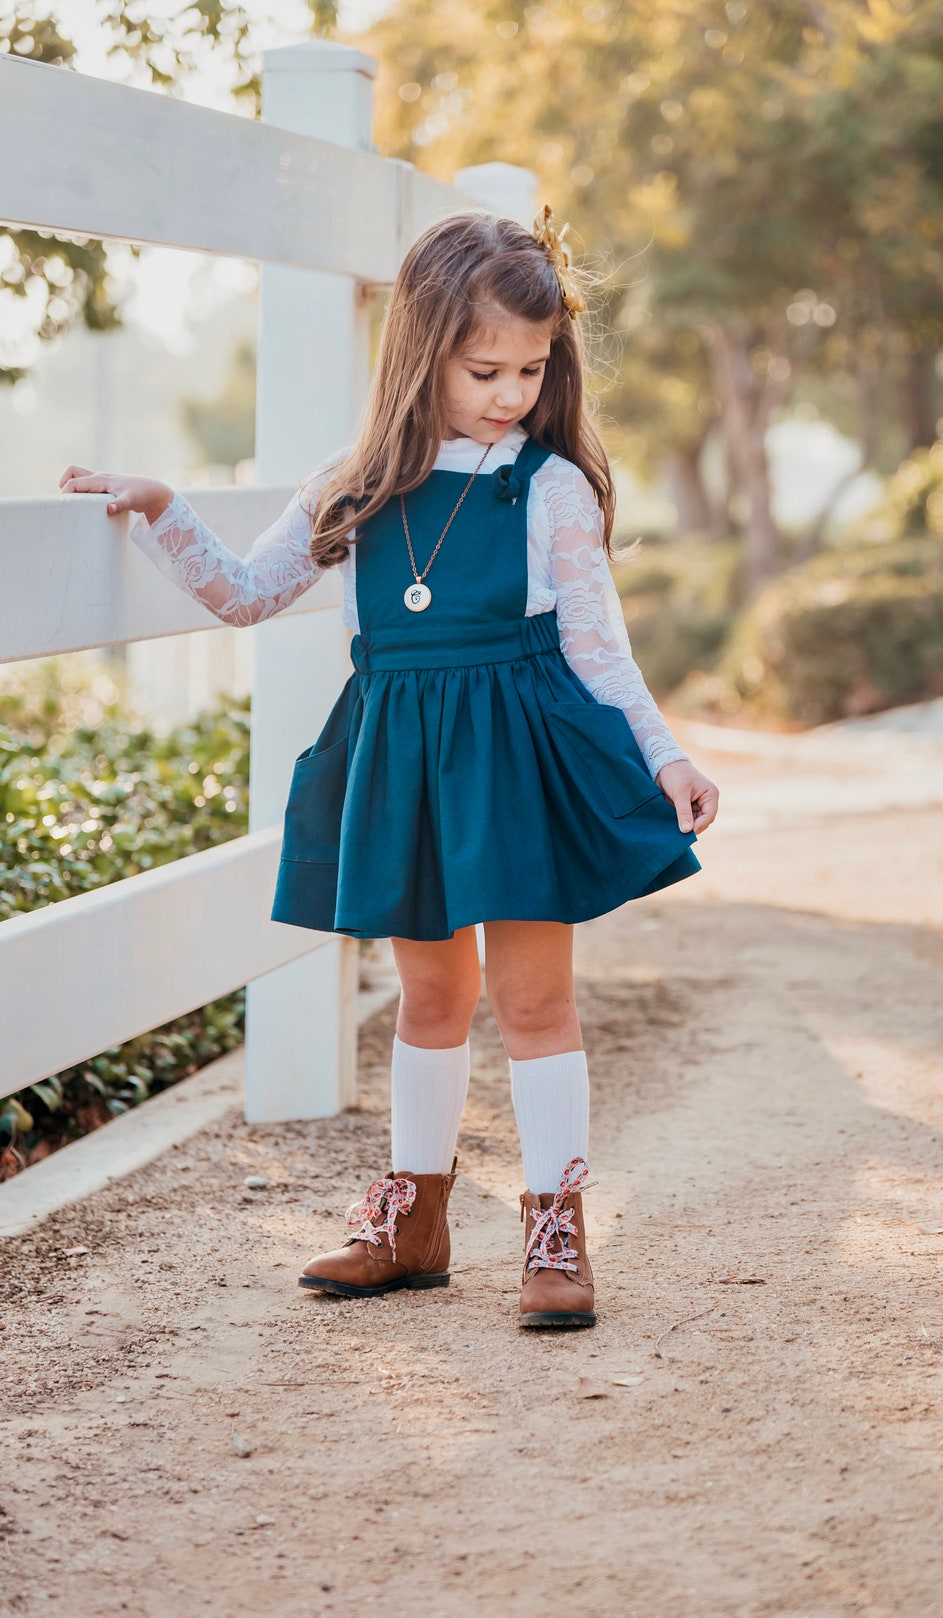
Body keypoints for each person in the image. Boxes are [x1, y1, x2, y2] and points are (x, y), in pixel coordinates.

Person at [59, 207, 719, 1330]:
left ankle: (555, 1228)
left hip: (516, 762)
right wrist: (164, 512)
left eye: (531, 367)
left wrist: (666, 752)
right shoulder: (354, 481)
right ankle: (415, 1220)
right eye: (484, 369)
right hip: (406, 758)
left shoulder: (547, 487)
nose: (510, 391)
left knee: (533, 997)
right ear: (422, 351)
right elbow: (247, 592)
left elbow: (597, 646)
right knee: (428, 993)